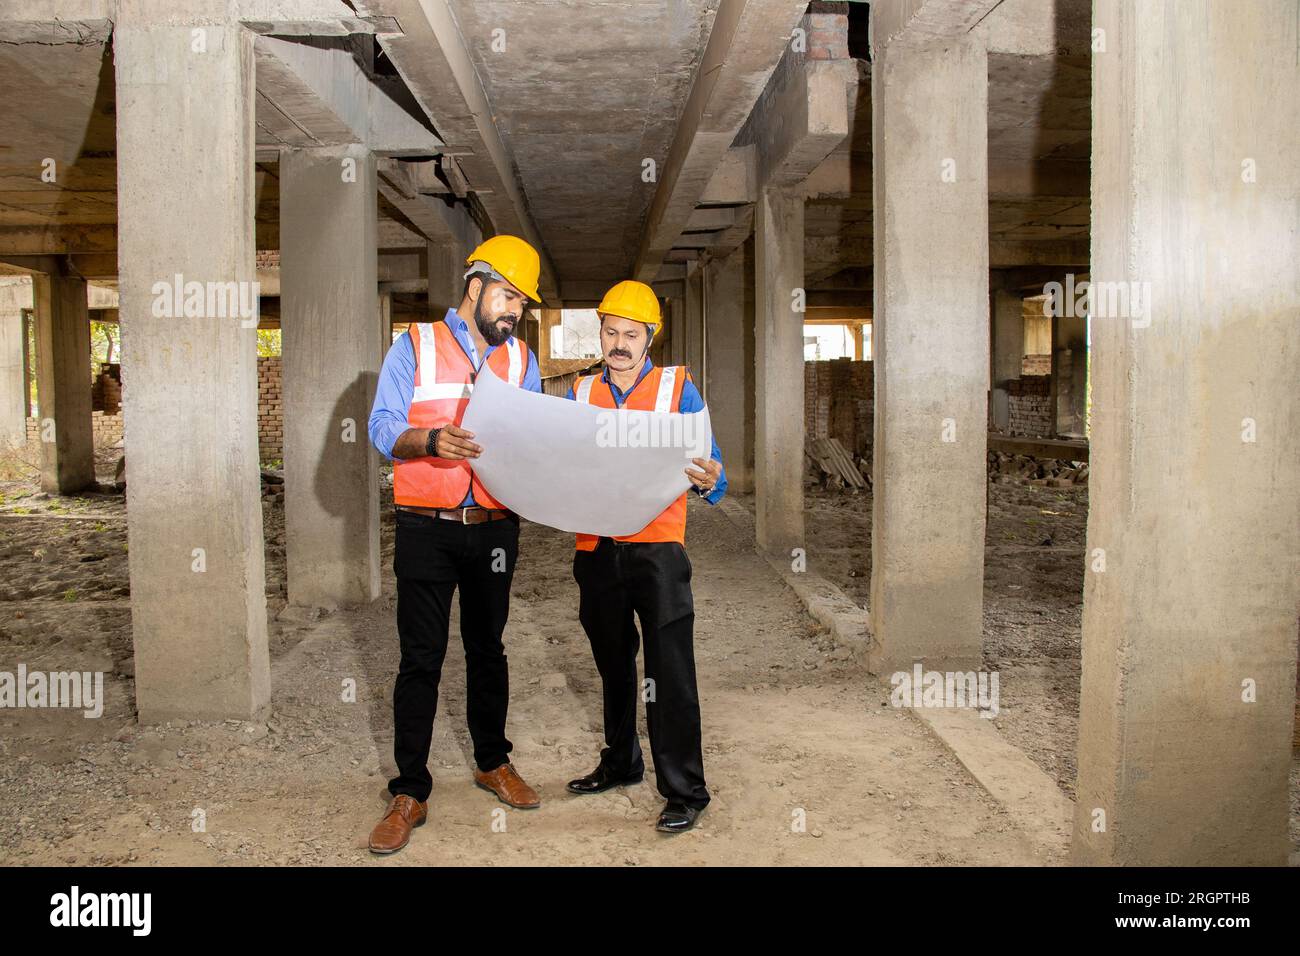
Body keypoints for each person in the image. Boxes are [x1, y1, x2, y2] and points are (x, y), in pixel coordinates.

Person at [365, 235, 545, 855]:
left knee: (488, 649)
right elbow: (382, 427)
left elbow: (535, 431)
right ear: (476, 286)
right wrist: (431, 440)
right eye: (507, 295)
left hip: (495, 530)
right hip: (426, 527)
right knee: (421, 659)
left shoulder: (521, 358)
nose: (514, 311)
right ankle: (410, 789)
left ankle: (492, 761)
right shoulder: (412, 345)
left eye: (521, 302)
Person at [563, 279, 726, 833]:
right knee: (612, 664)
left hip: (658, 550)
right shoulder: (581, 393)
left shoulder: (679, 388)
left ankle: (684, 790)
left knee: (669, 670)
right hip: (597, 549)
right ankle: (620, 763)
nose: (619, 343)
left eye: (631, 334)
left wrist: (713, 478)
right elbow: (560, 456)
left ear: (649, 336)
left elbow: (713, 464)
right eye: (611, 331)